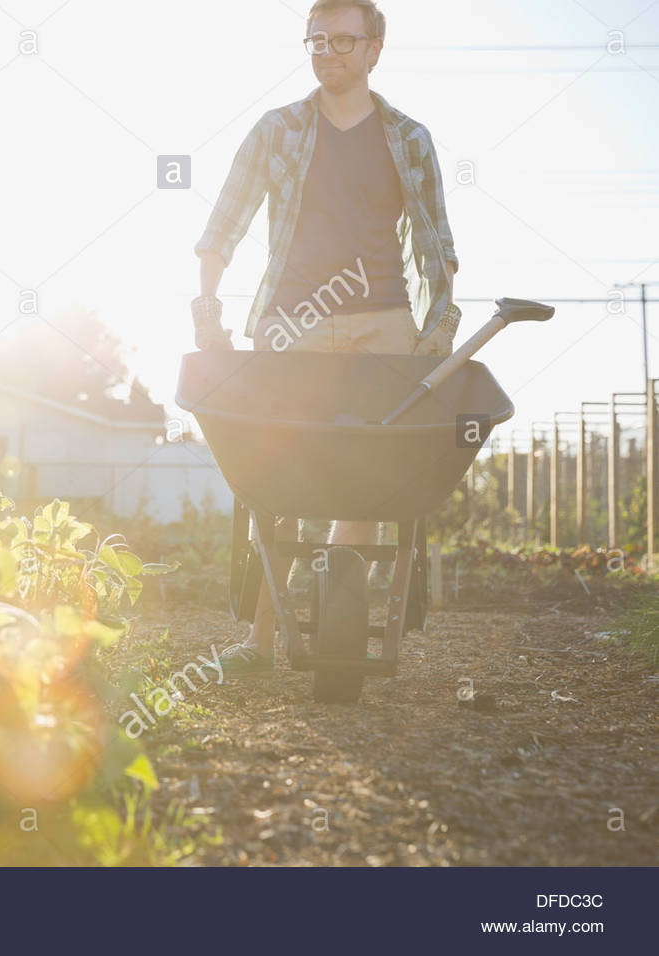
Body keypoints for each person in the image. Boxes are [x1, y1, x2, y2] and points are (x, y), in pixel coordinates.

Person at [191, 0, 462, 674]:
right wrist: (207, 302)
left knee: (365, 472)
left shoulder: (409, 138)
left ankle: (334, 594)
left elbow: (437, 243)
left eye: (345, 40)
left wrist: (439, 325)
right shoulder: (277, 130)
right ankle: (259, 643)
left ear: (375, 49)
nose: (329, 51)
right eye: (317, 39)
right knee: (277, 468)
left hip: (383, 320)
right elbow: (225, 221)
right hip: (292, 321)